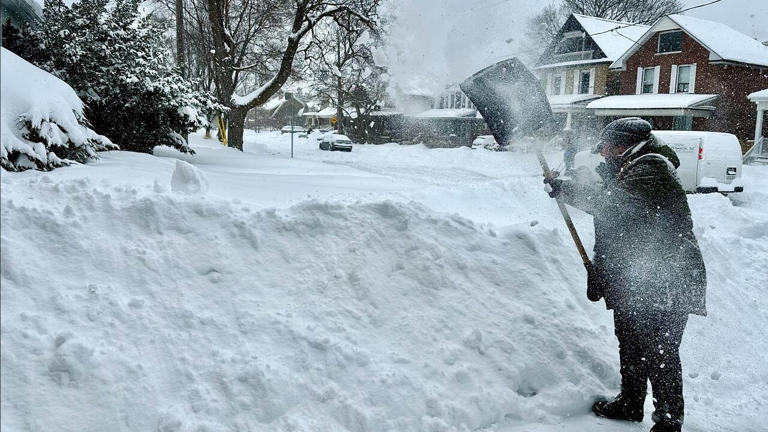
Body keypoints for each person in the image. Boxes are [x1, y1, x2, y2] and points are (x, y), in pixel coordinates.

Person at [544, 117, 707, 432]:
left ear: (623, 145)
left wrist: (568, 190)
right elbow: (618, 222)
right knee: (631, 342)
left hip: (668, 276)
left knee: (660, 349)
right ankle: (631, 403)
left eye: (606, 147)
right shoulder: (632, 167)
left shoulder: (652, 168)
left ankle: (669, 419)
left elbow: (616, 207)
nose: (602, 152)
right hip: (639, 277)